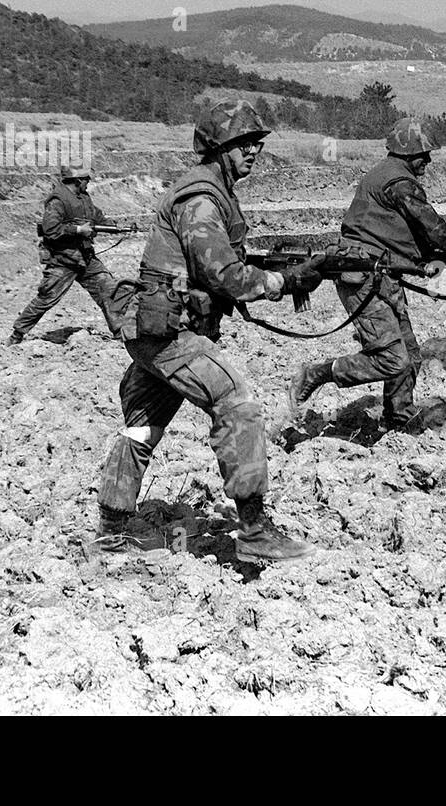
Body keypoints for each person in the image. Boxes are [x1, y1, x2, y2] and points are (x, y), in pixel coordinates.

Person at [96, 100, 326, 563]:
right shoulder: (201, 200)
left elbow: (211, 266)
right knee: (238, 402)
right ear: (219, 147)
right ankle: (255, 531)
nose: (253, 150)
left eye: (256, 142)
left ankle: (109, 534)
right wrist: (280, 281)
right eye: (243, 143)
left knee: (141, 428)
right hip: (171, 335)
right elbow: (223, 273)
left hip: (154, 331)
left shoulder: (211, 191)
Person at [288, 117, 446, 429]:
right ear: (409, 154)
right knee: (394, 359)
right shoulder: (399, 183)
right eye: (424, 154)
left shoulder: (387, 176)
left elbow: (413, 238)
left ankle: (399, 420)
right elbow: (438, 233)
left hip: (380, 276)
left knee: (410, 356)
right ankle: (318, 373)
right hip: (363, 276)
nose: (429, 160)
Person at [7, 162, 121, 344]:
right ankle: (17, 334)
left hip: (85, 257)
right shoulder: (58, 200)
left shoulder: (83, 197)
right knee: (46, 298)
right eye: (85, 179)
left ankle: (120, 333)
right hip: (63, 259)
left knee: (108, 289)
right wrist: (77, 230)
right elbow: (51, 229)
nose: (88, 182)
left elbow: (96, 217)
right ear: (77, 180)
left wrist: (115, 227)